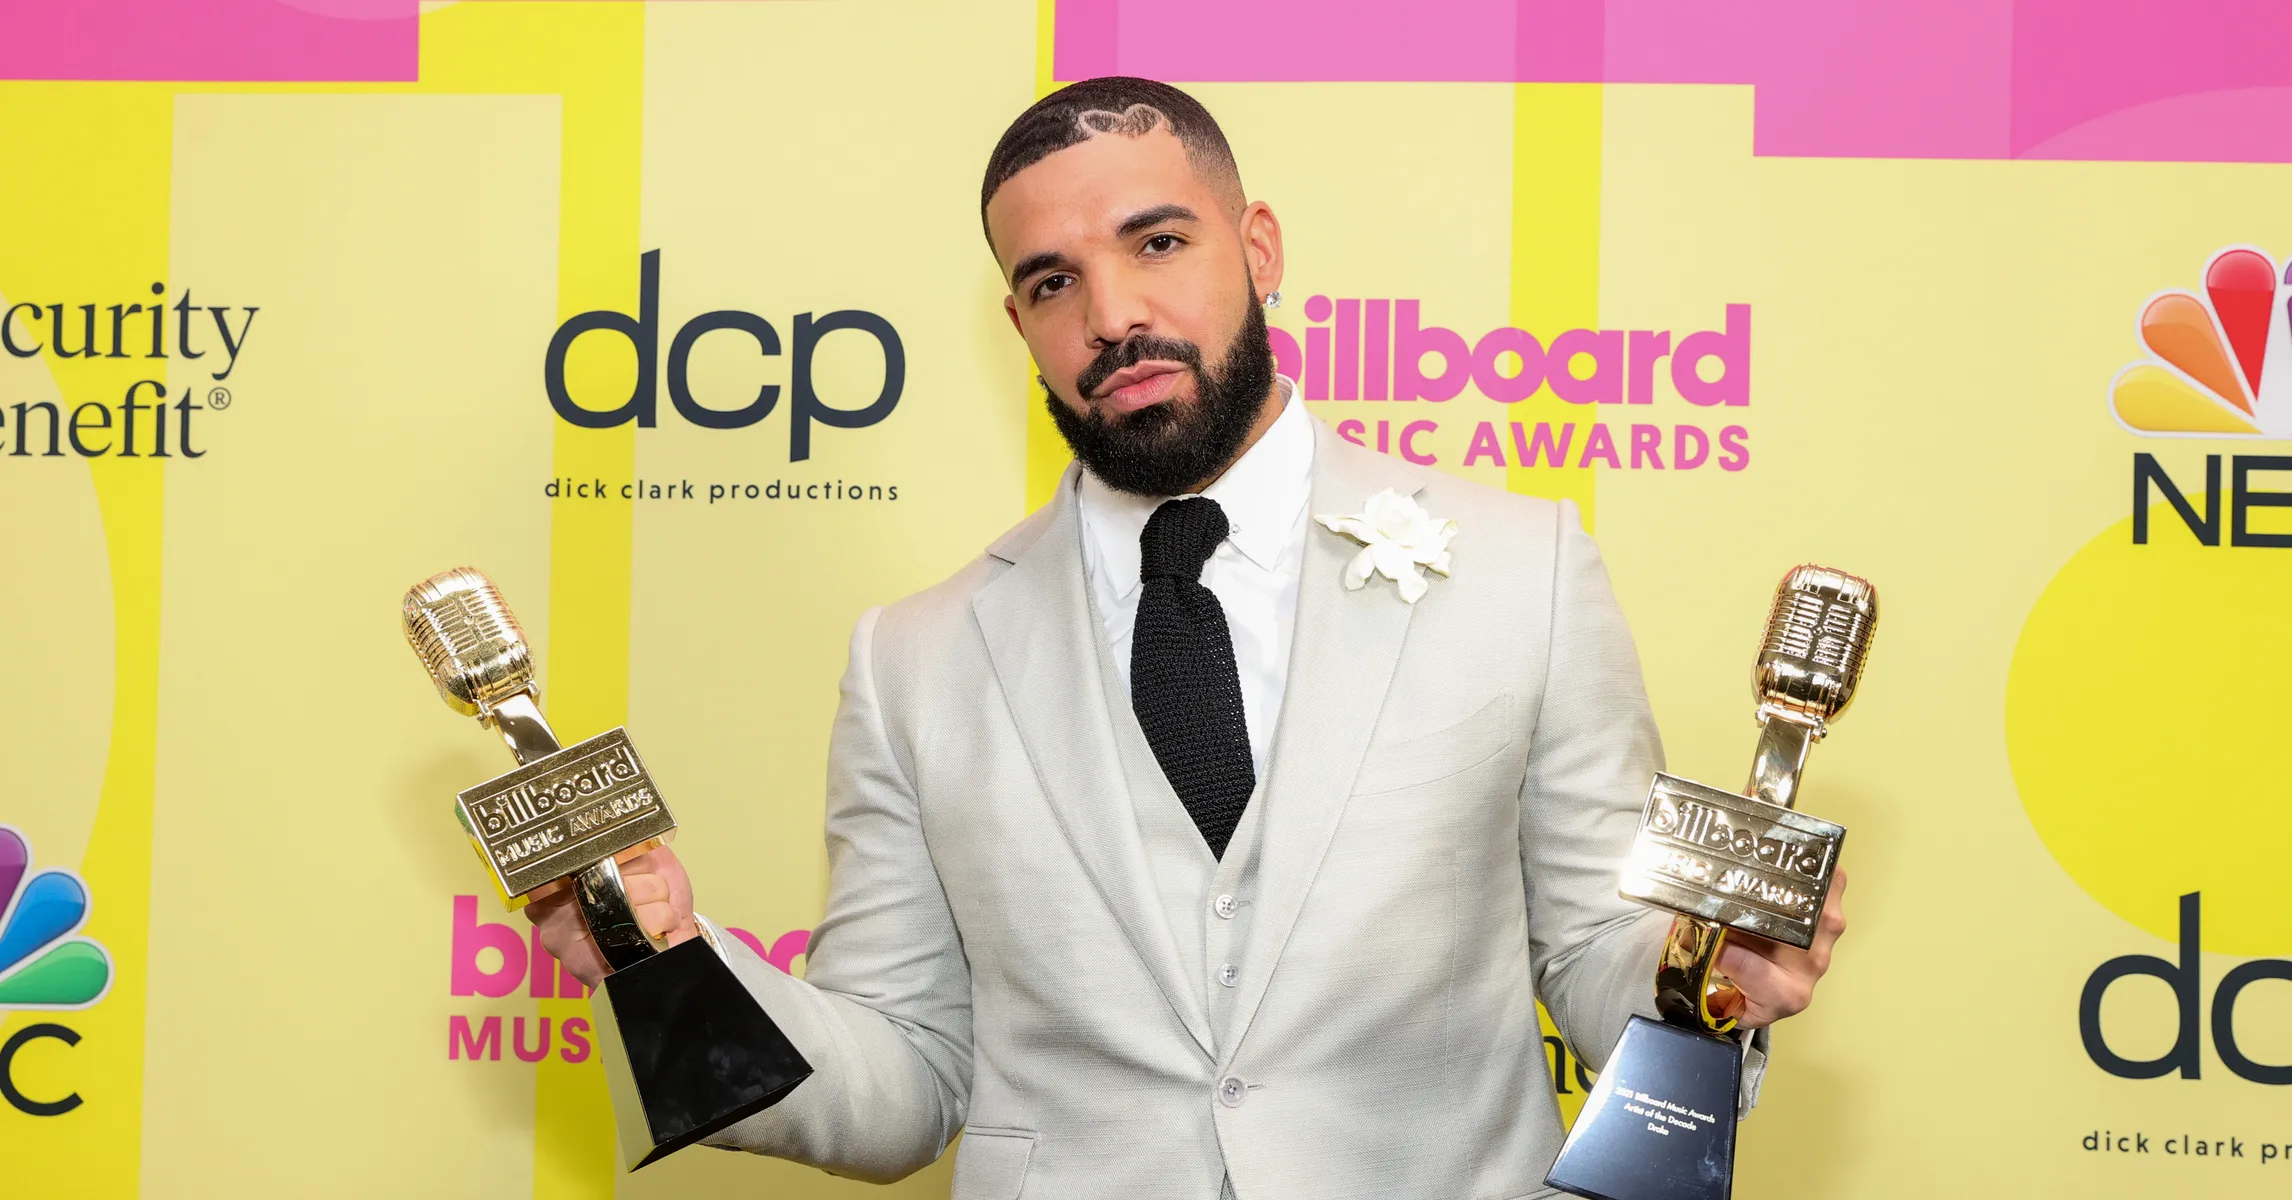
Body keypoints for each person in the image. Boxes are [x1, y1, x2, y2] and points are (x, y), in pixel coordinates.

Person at [527, 76, 1846, 1200]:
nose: (1111, 316)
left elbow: (1590, 963)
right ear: (1019, 326)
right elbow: (908, 1078)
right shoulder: (912, 661)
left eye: (1157, 243)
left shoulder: (1526, 572)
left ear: (1258, 247)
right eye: (1054, 280)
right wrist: (671, 969)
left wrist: (1708, 980)